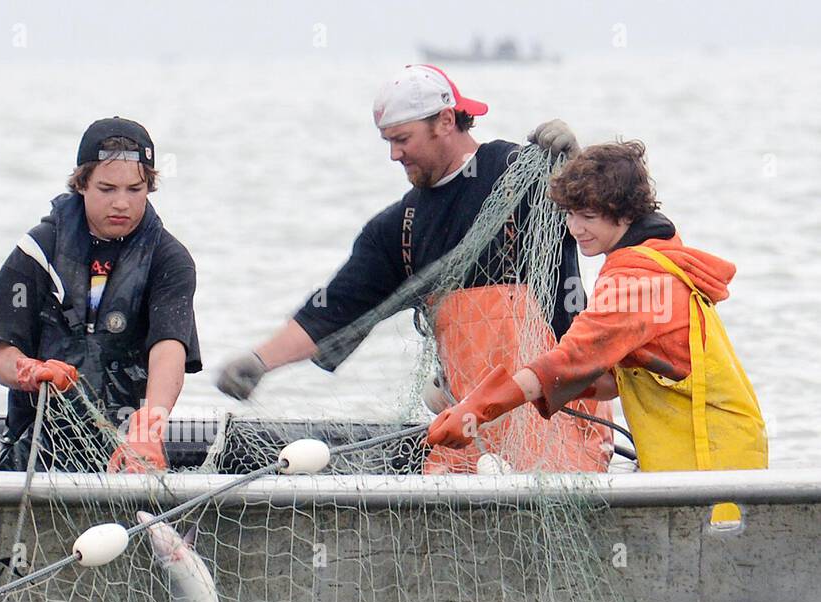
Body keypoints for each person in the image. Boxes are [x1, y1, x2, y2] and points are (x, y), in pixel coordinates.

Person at [215, 63, 609, 473]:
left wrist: (576, 166)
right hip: (471, 432)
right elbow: (330, 312)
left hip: (561, 419)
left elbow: (606, 217)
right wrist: (259, 362)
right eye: (387, 141)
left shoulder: (526, 176)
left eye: (402, 139)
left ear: (444, 121)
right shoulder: (399, 229)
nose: (393, 154)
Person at [427, 141, 768, 494]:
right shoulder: (654, 254)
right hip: (709, 445)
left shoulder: (636, 280)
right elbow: (609, 382)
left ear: (625, 214)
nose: (575, 228)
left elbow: (571, 359)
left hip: (712, 455)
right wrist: (534, 388)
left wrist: (478, 410)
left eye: (588, 217)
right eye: (570, 214)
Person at [0, 117, 201, 472]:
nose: (122, 203)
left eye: (135, 190)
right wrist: (29, 372)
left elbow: (169, 348)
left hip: (129, 449)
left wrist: (149, 427)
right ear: (82, 184)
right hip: (36, 446)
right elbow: (0, 356)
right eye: (107, 189)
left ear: (149, 187)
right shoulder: (37, 251)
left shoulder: (170, 260)